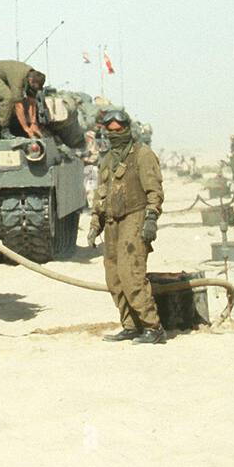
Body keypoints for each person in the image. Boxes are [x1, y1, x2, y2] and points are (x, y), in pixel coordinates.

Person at [87, 108, 166, 344]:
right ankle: (130, 325)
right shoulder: (108, 159)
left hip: (134, 217)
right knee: (114, 278)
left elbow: (154, 191)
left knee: (131, 274)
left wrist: (151, 219)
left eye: (117, 130)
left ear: (127, 129)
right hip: (112, 222)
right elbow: (100, 196)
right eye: (109, 130)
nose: (113, 134)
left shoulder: (143, 155)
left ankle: (153, 327)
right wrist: (95, 225)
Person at [0, 59, 45, 138]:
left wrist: (33, 124)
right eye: (34, 86)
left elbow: (32, 102)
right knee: (7, 97)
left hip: (3, 78)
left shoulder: (33, 75)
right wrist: (26, 129)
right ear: (30, 81)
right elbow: (18, 106)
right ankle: (4, 130)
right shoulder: (18, 78)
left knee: (16, 99)